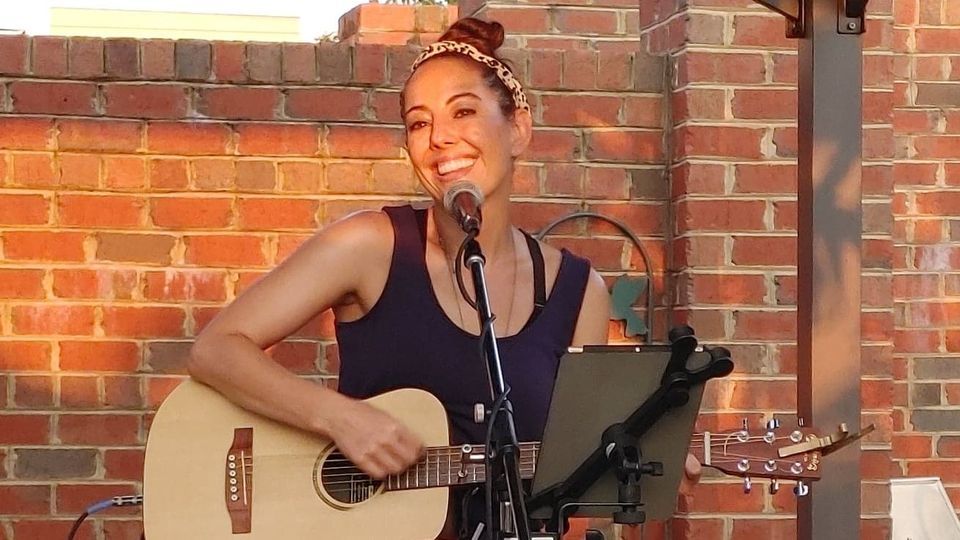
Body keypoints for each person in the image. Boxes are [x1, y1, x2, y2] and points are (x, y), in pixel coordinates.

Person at [188, 17, 695, 539]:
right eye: (418, 123)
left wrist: (644, 461)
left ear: (518, 128)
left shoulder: (577, 291)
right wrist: (340, 419)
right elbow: (217, 349)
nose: (440, 139)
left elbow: (566, 489)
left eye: (464, 112)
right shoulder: (370, 246)